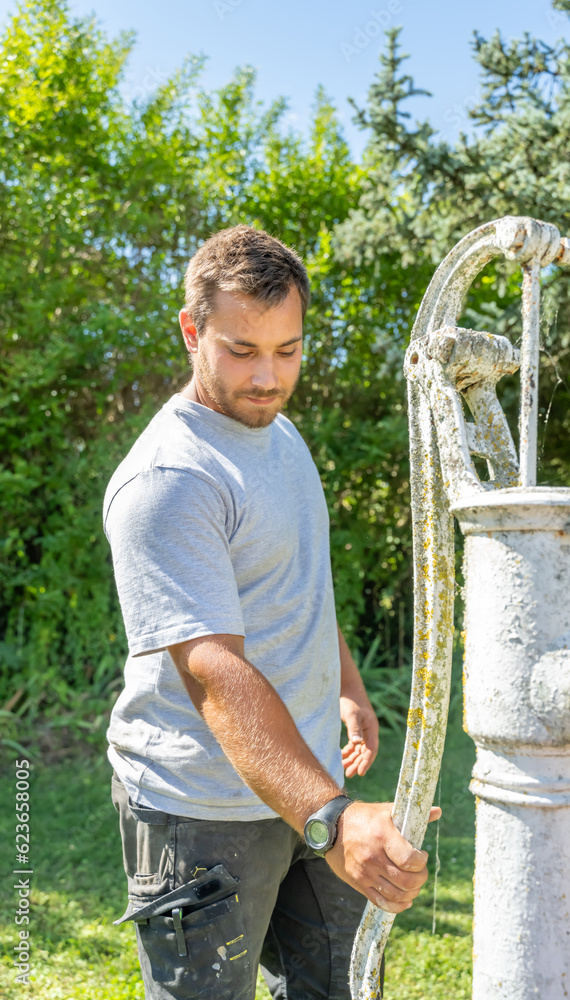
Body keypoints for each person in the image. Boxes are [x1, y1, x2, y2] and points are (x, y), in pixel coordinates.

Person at [104, 225, 439, 1000]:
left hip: (308, 777)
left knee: (346, 989)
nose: (267, 377)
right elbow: (212, 670)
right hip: (201, 810)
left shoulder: (280, 435)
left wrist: (347, 689)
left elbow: (296, 585)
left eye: (287, 350)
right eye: (242, 350)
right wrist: (331, 819)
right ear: (191, 331)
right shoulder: (170, 480)